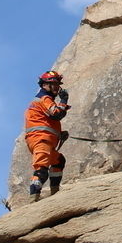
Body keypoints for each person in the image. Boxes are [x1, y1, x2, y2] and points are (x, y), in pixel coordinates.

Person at [23, 70, 70, 203]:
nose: (56, 86)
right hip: (41, 139)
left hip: (43, 138)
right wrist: (64, 100)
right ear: (44, 85)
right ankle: (33, 199)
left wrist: (59, 134)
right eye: (53, 84)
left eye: (57, 84)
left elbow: (46, 120)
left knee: (59, 161)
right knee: (41, 169)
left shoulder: (42, 99)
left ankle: (54, 192)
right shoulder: (44, 98)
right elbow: (56, 113)